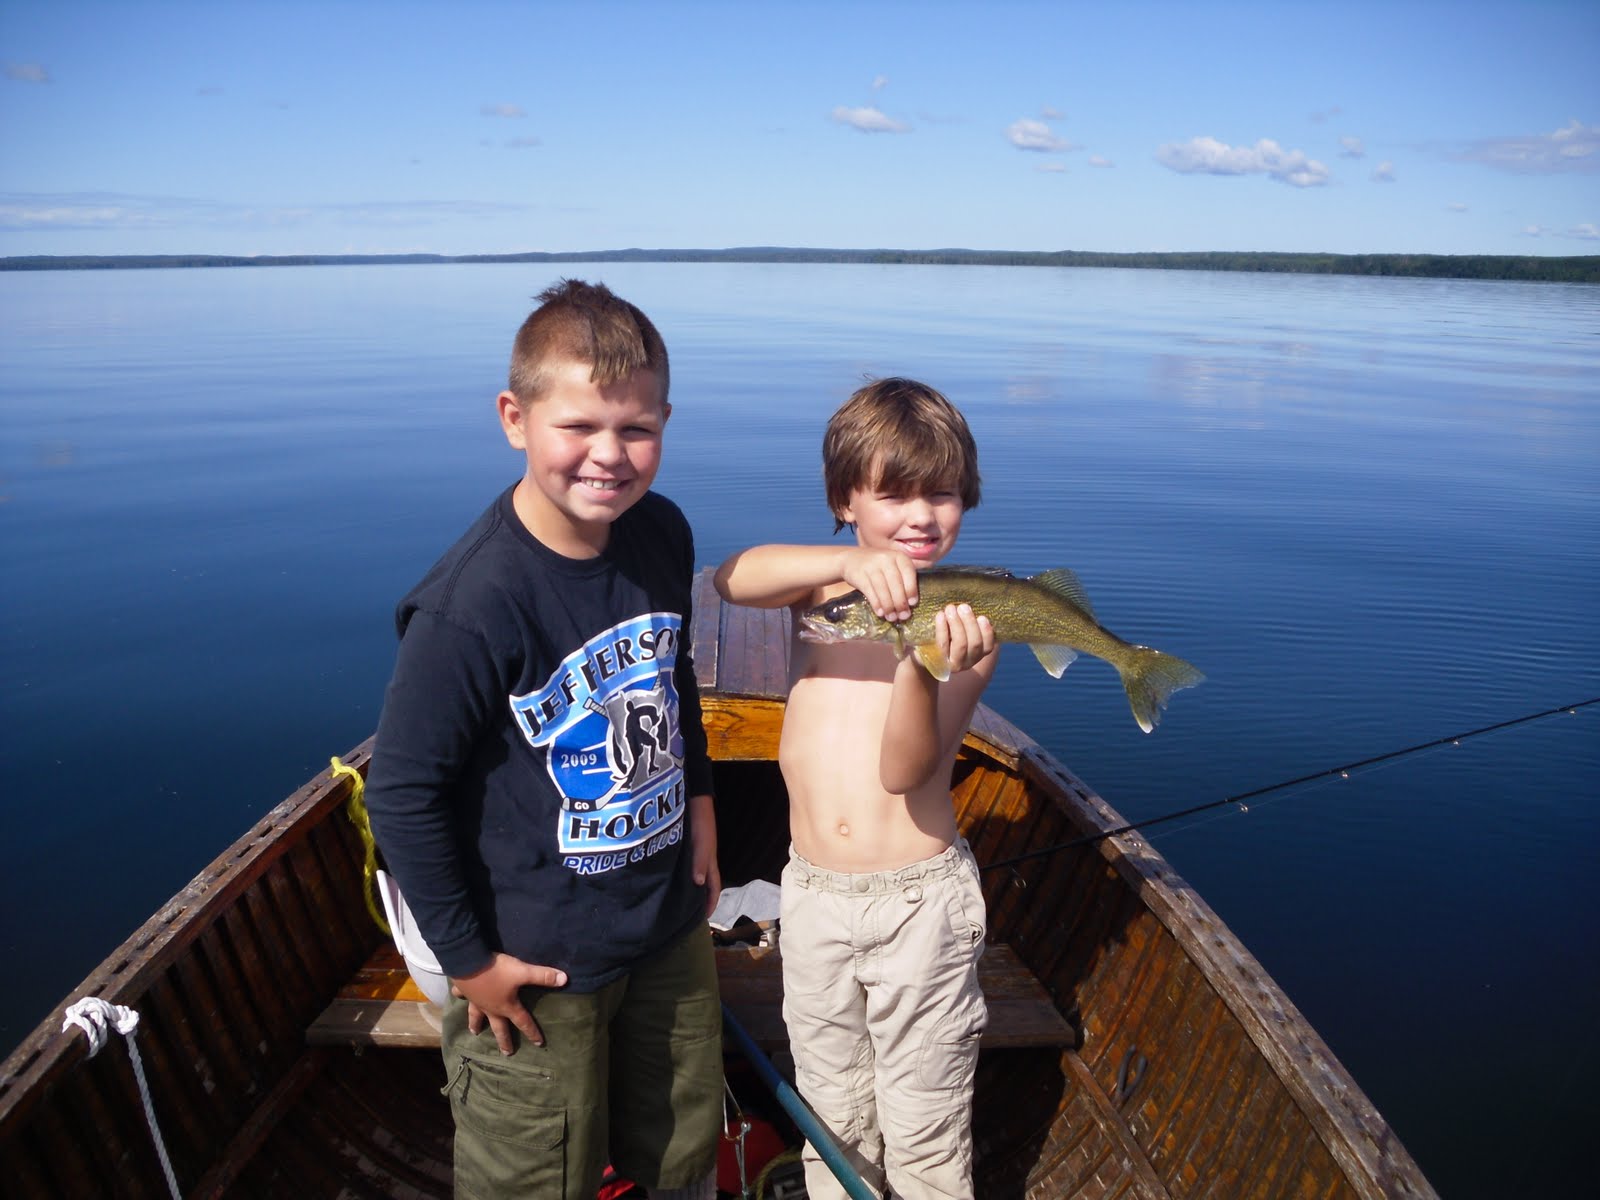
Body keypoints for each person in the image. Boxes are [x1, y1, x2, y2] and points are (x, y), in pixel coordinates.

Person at [364, 279, 723, 1200]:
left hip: (667, 931)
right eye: (579, 427)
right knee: (534, 1177)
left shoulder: (663, 534)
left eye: (637, 429)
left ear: (666, 421)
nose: (610, 456)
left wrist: (703, 802)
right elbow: (402, 794)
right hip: (533, 968)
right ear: (514, 418)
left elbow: (670, 675)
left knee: (681, 1153)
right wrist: (469, 963)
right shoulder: (472, 607)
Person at [713, 378, 996, 1200]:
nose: (919, 516)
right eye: (894, 494)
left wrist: (920, 662)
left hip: (919, 909)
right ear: (846, 500)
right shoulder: (824, 592)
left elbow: (905, 773)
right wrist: (844, 560)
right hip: (811, 899)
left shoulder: (969, 630)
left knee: (925, 1123)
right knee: (831, 1115)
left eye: (941, 494)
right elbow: (732, 578)